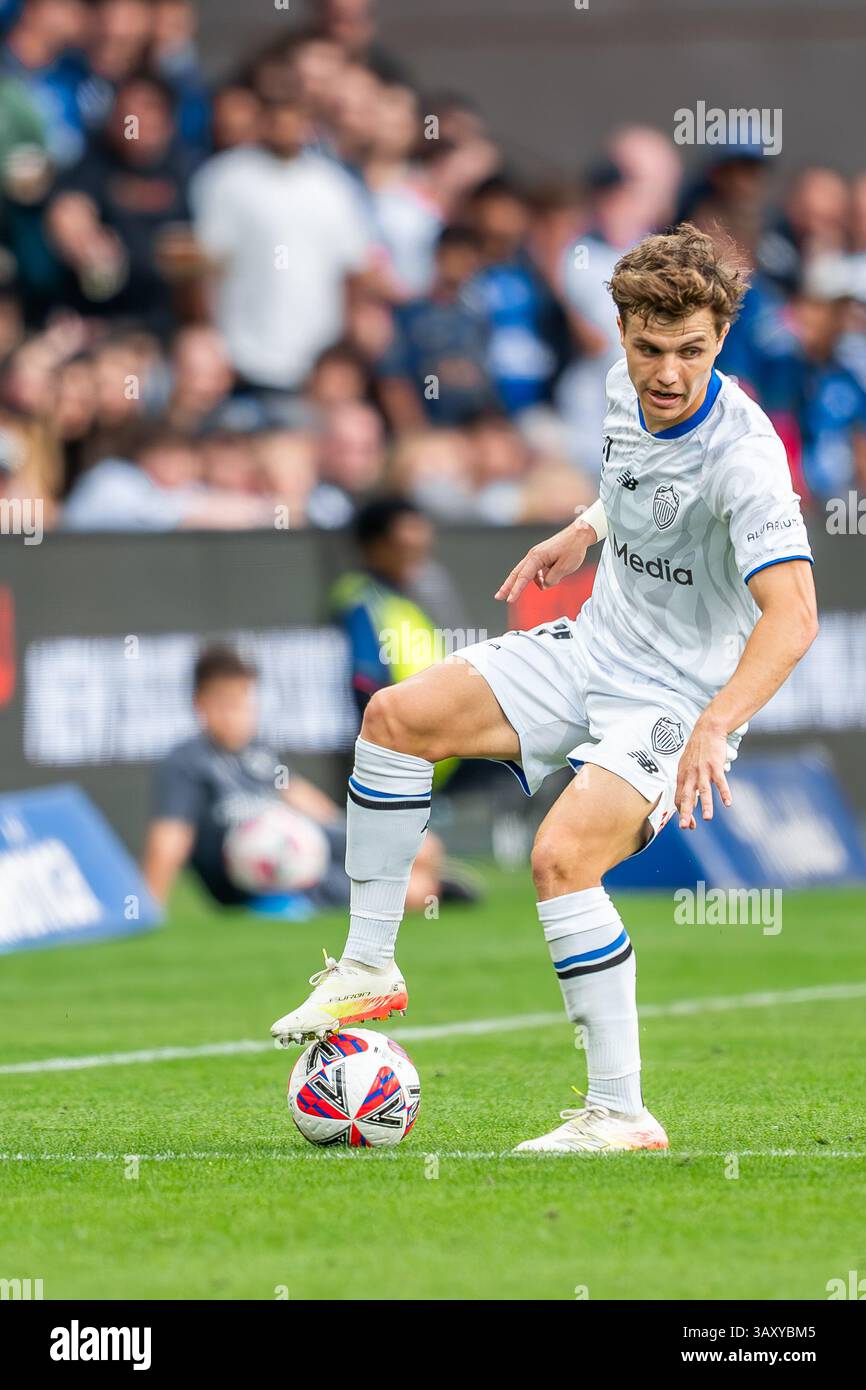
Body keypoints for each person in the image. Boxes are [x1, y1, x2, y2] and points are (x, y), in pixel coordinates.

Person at [269, 224, 818, 1156]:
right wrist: (587, 525)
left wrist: (718, 724)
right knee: (395, 718)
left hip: (672, 697)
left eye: (691, 351)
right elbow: (642, 479)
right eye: (649, 348)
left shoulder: (748, 458)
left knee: (562, 860)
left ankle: (620, 1113)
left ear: (720, 339)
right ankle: (367, 964)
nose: (668, 373)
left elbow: (794, 616)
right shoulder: (618, 390)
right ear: (622, 332)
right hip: (593, 645)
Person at [142, 644, 445, 913]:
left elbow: (306, 800)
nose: (236, 714)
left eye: (243, 701)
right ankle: (435, 891)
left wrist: (357, 832)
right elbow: (170, 837)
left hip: (304, 841)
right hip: (272, 868)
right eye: (224, 703)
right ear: (200, 704)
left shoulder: (258, 753)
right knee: (416, 892)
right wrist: (150, 906)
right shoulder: (187, 762)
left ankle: (438, 882)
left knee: (425, 847)